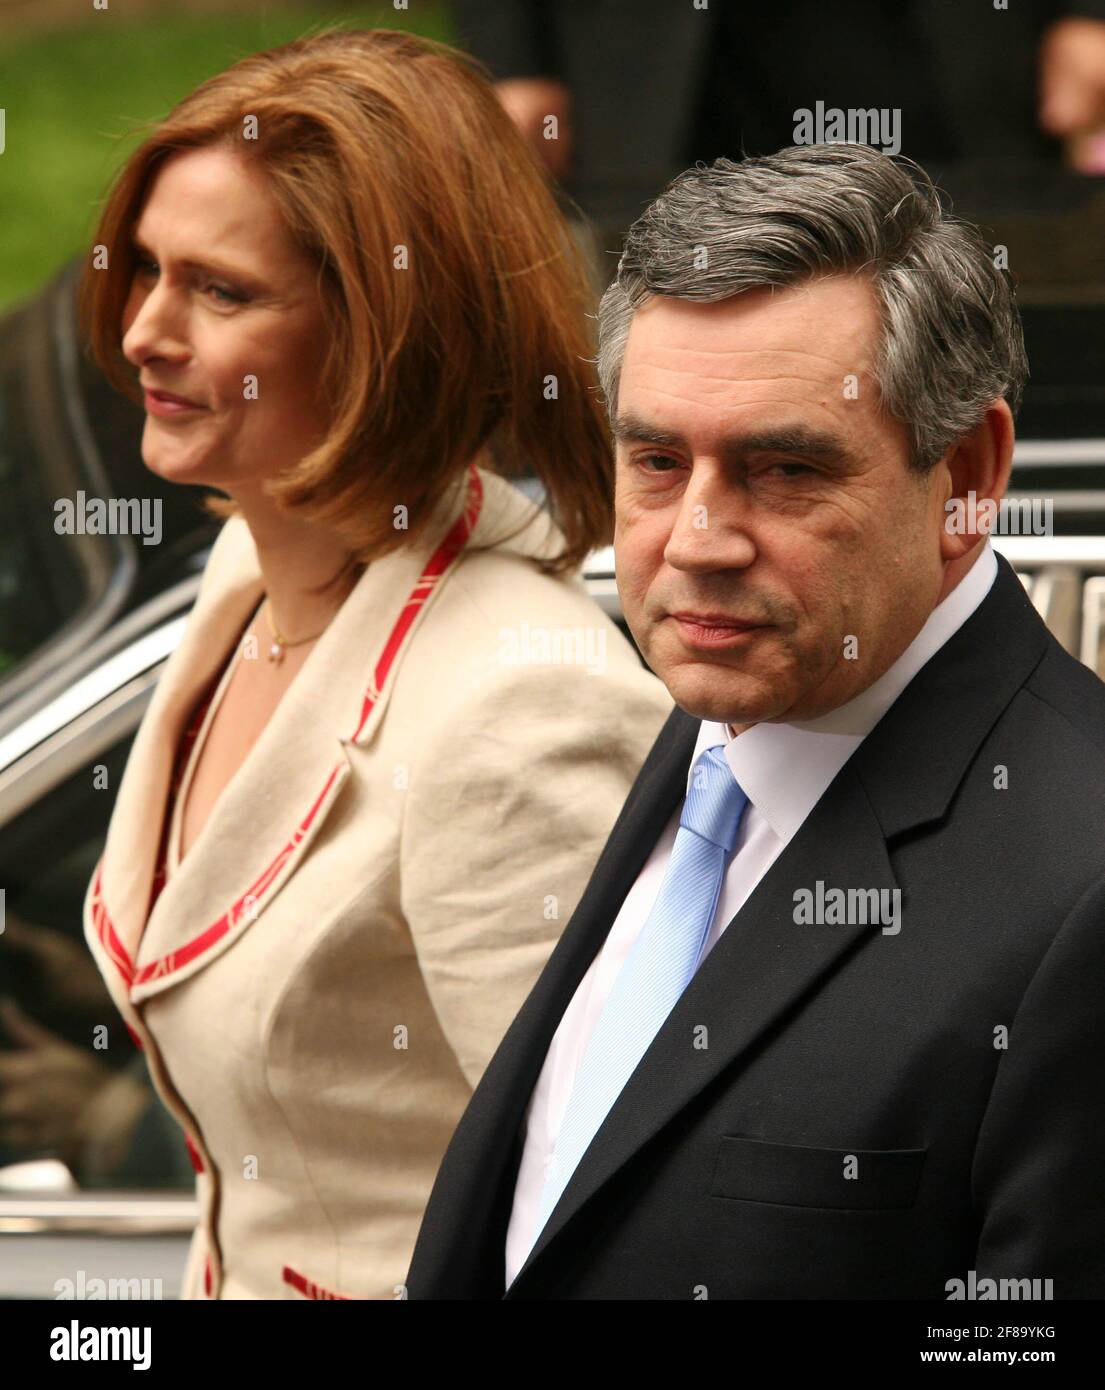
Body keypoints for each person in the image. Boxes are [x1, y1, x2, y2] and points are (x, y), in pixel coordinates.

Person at [406, 143, 1105, 1299]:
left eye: (783, 469)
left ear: (969, 476)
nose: (695, 539)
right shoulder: (730, 715)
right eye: (655, 460)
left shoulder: (1077, 892)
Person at [78, 26, 673, 1300]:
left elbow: (623, 1224)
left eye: (220, 291)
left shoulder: (521, 703)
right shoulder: (246, 578)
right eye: (143, 272)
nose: (142, 331)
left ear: (384, 330)